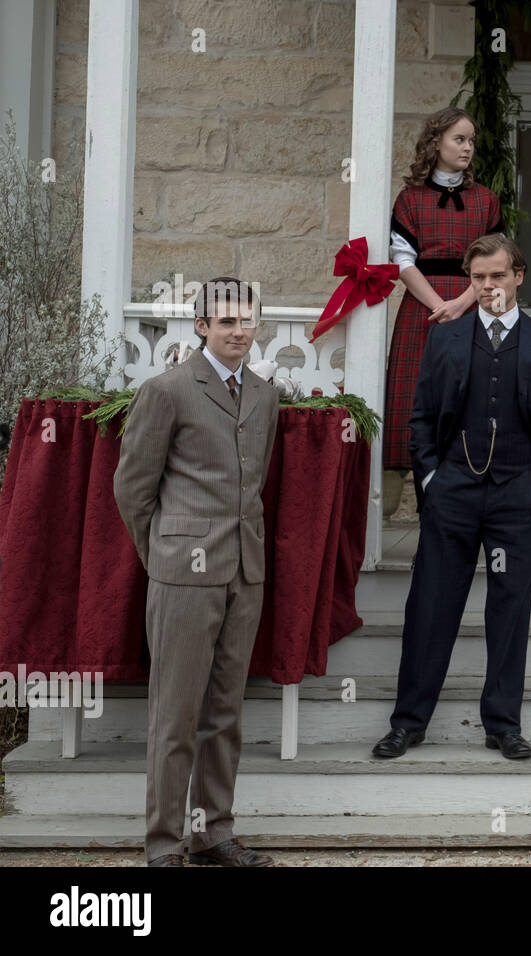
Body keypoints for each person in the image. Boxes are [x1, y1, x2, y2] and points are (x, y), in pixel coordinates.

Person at [372, 234, 531, 760]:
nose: (488, 286)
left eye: (497, 275)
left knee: (509, 610)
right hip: (454, 494)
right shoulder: (445, 338)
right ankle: (409, 721)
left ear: (518, 276)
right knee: (431, 606)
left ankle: (503, 724)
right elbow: (420, 418)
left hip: (521, 495)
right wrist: (430, 481)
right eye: (478, 278)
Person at [113, 277, 280, 866]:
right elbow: (133, 488)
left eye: (247, 321)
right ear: (201, 326)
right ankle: (163, 845)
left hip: (245, 572)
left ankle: (213, 833)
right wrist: (163, 556)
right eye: (226, 321)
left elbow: (254, 480)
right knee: (174, 716)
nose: (239, 331)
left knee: (225, 715)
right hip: (183, 574)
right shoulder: (167, 391)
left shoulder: (264, 394)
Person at [384, 107, 503, 482]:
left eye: (471, 141)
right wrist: (439, 306)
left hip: (476, 305)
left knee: (473, 401)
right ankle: (427, 507)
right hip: (424, 310)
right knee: (419, 403)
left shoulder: (485, 200)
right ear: (436, 143)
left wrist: (462, 303)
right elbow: (402, 261)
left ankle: (464, 506)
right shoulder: (411, 199)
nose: (468, 148)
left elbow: (496, 264)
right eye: (459, 139)